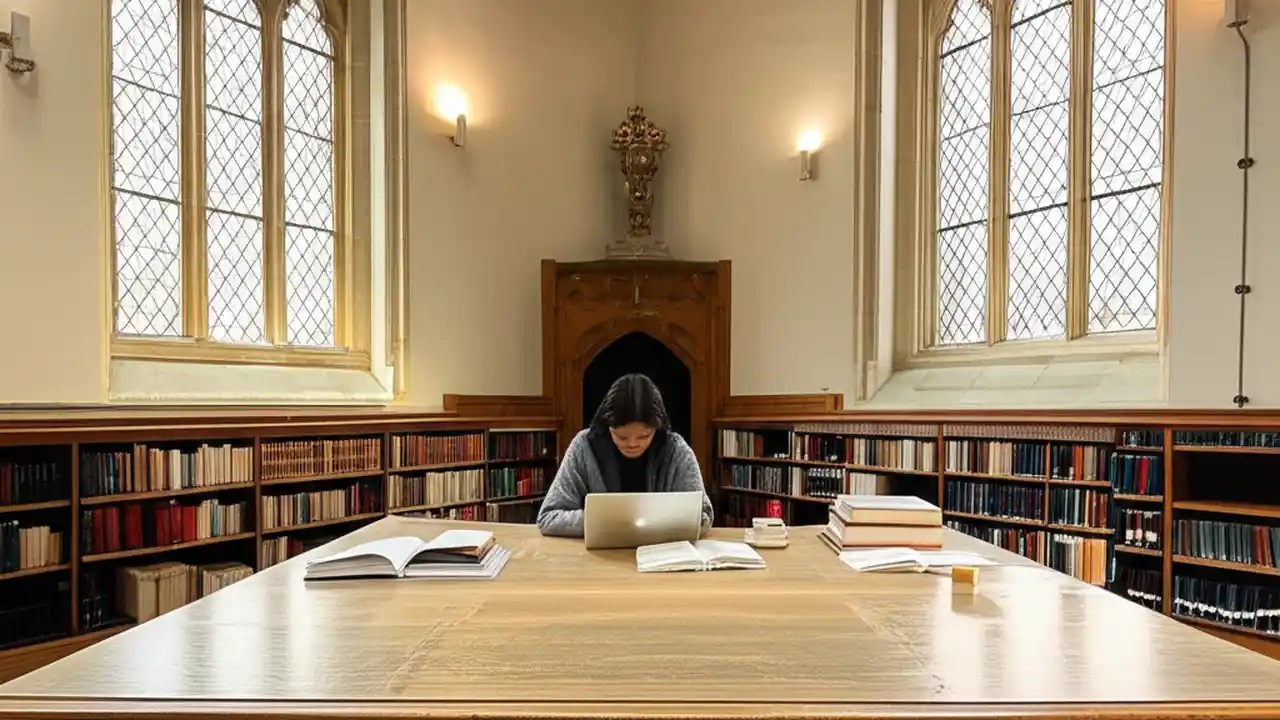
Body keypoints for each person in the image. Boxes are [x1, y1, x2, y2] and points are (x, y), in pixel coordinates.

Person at [536, 373, 713, 537]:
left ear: (658, 429)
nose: (632, 444)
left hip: (661, 559)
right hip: (597, 561)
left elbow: (703, 516)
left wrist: (646, 523)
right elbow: (548, 517)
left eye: (644, 436)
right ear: (607, 426)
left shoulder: (676, 451)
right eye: (621, 436)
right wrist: (605, 522)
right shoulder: (584, 447)